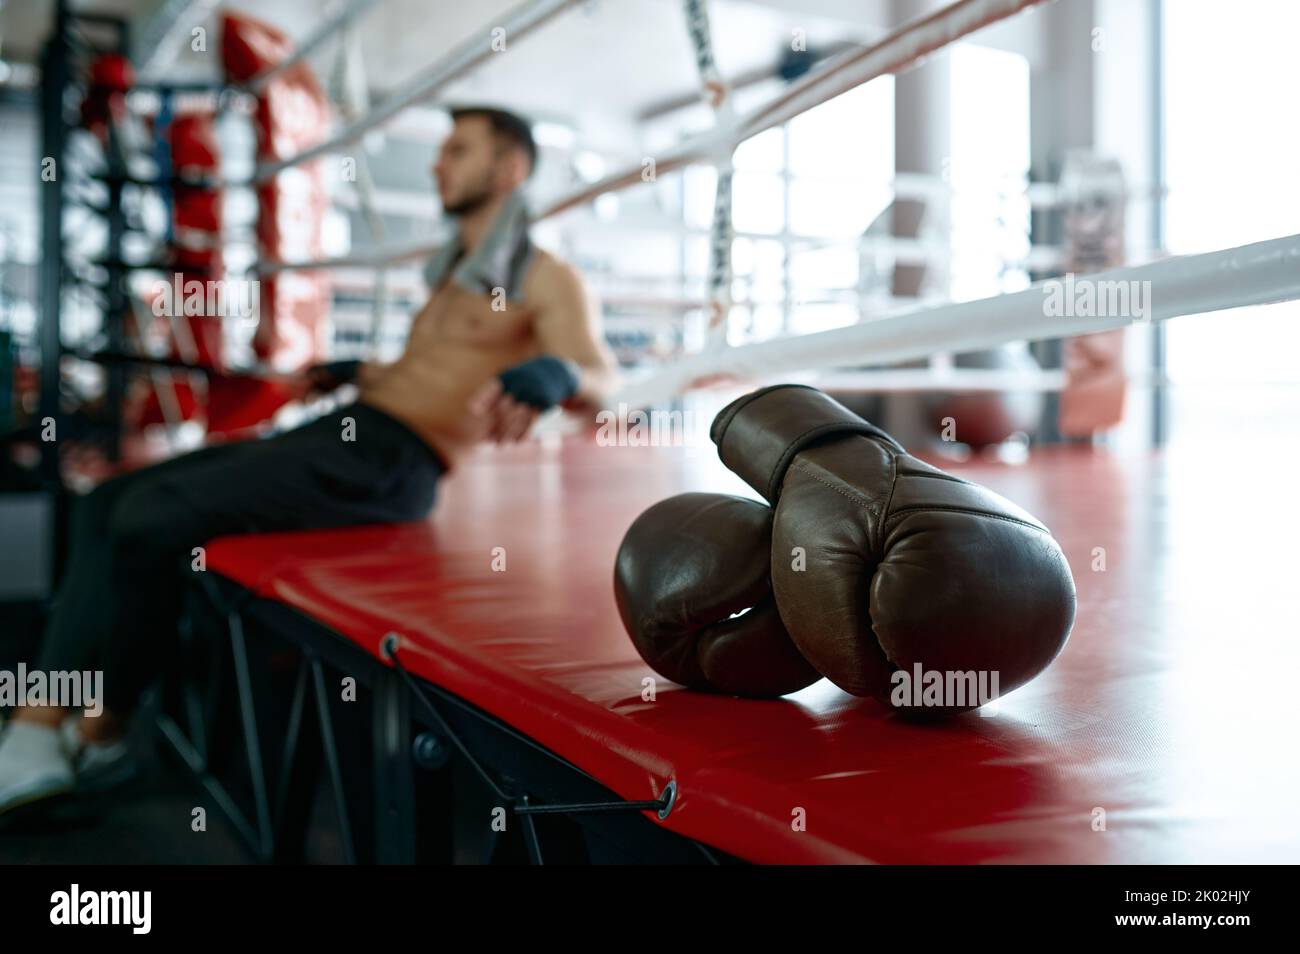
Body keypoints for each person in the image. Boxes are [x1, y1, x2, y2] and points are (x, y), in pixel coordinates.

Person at [0, 105, 620, 815]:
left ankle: (39, 733)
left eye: (457, 150)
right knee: (108, 501)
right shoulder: (454, 277)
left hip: (395, 463)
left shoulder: (544, 277)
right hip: (348, 429)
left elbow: (600, 375)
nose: (436, 163)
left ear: (508, 169)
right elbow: (428, 372)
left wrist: (555, 376)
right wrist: (361, 369)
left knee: (150, 516)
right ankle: (100, 736)